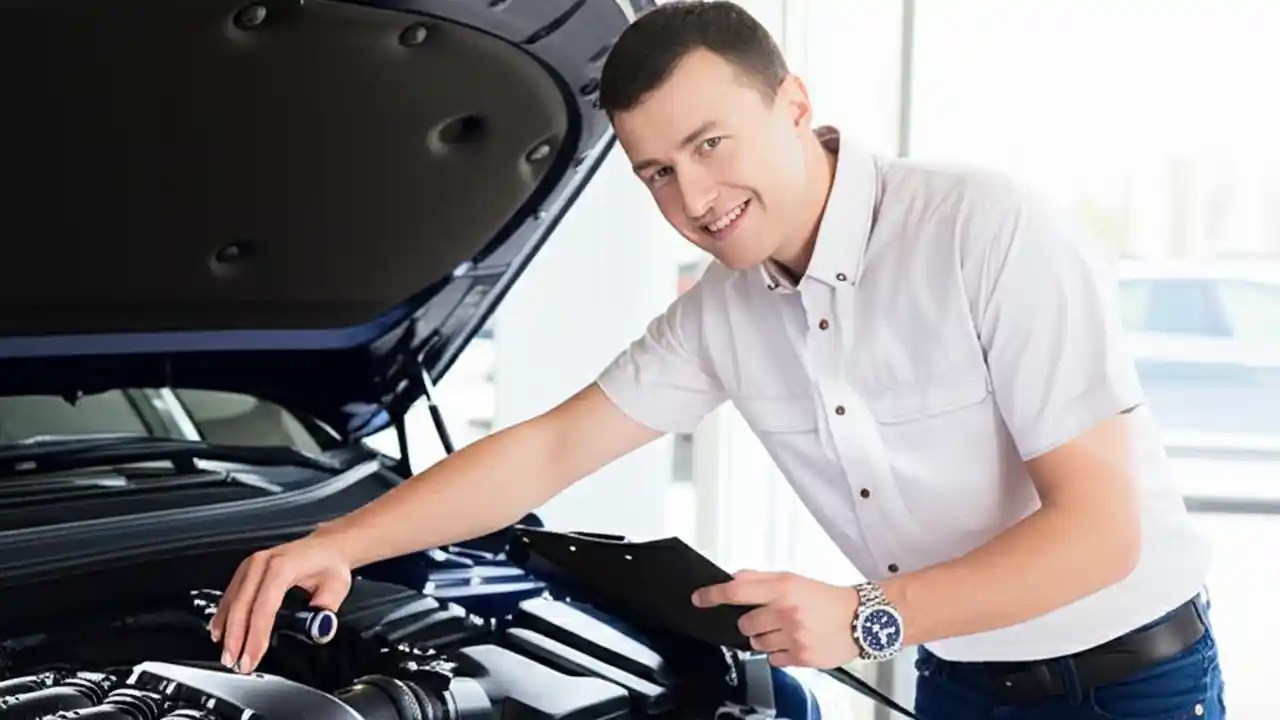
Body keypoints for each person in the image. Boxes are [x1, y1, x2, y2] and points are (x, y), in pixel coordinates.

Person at [209, 2, 1225, 717]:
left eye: (710, 143)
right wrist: (342, 541)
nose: (691, 198)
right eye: (656, 171)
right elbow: (548, 450)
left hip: (1127, 685)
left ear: (792, 105)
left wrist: (864, 618)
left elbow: (1099, 533)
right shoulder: (726, 314)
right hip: (956, 680)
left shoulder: (980, 229)